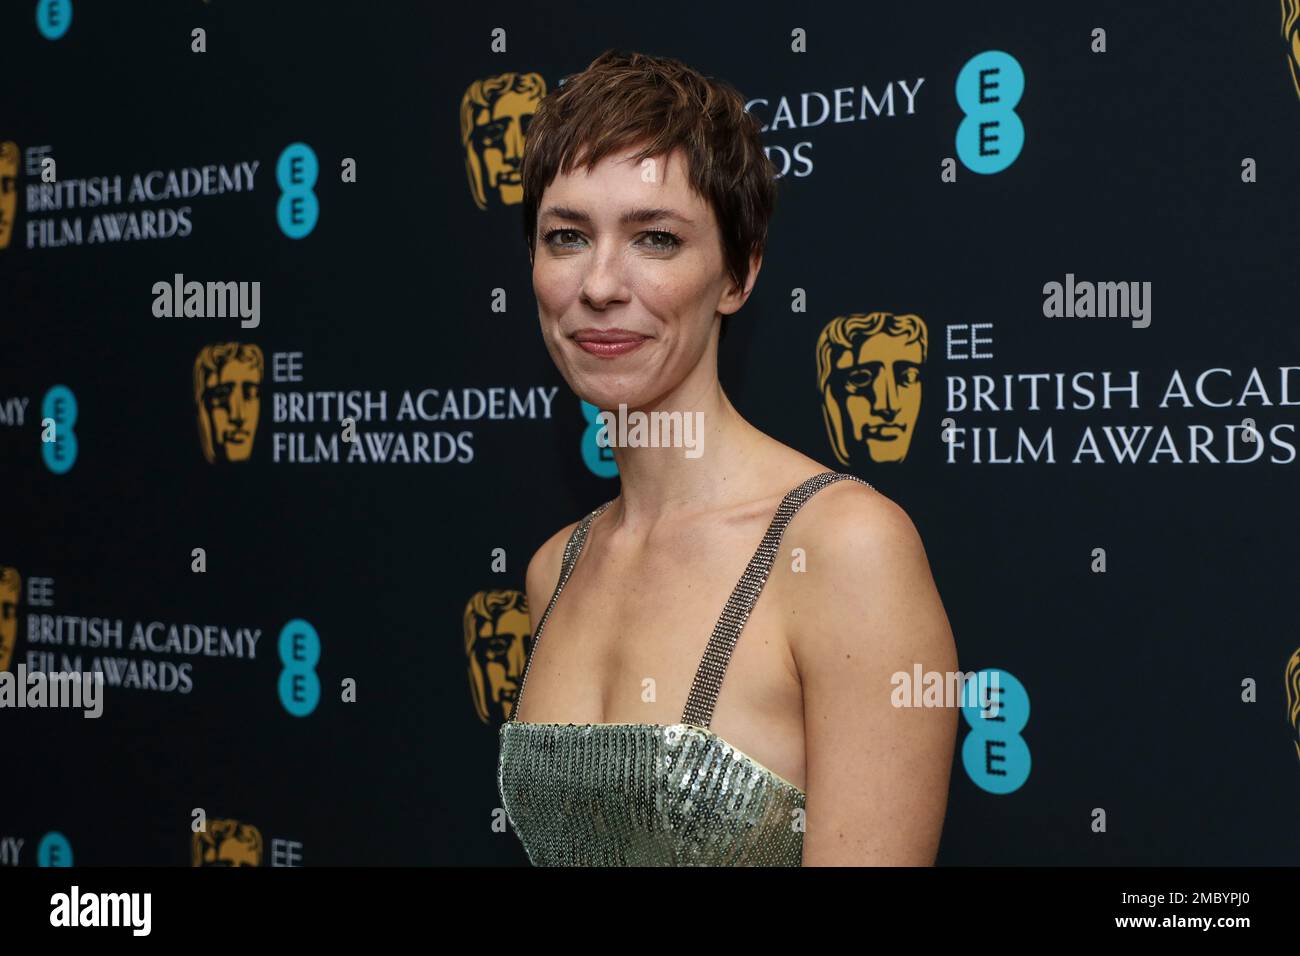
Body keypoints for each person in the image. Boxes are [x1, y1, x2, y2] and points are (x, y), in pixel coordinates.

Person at [497, 49, 957, 866]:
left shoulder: (845, 548)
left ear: (738, 273)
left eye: (656, 239)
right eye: (567, 237)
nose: (599, 285)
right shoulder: (555, 569)